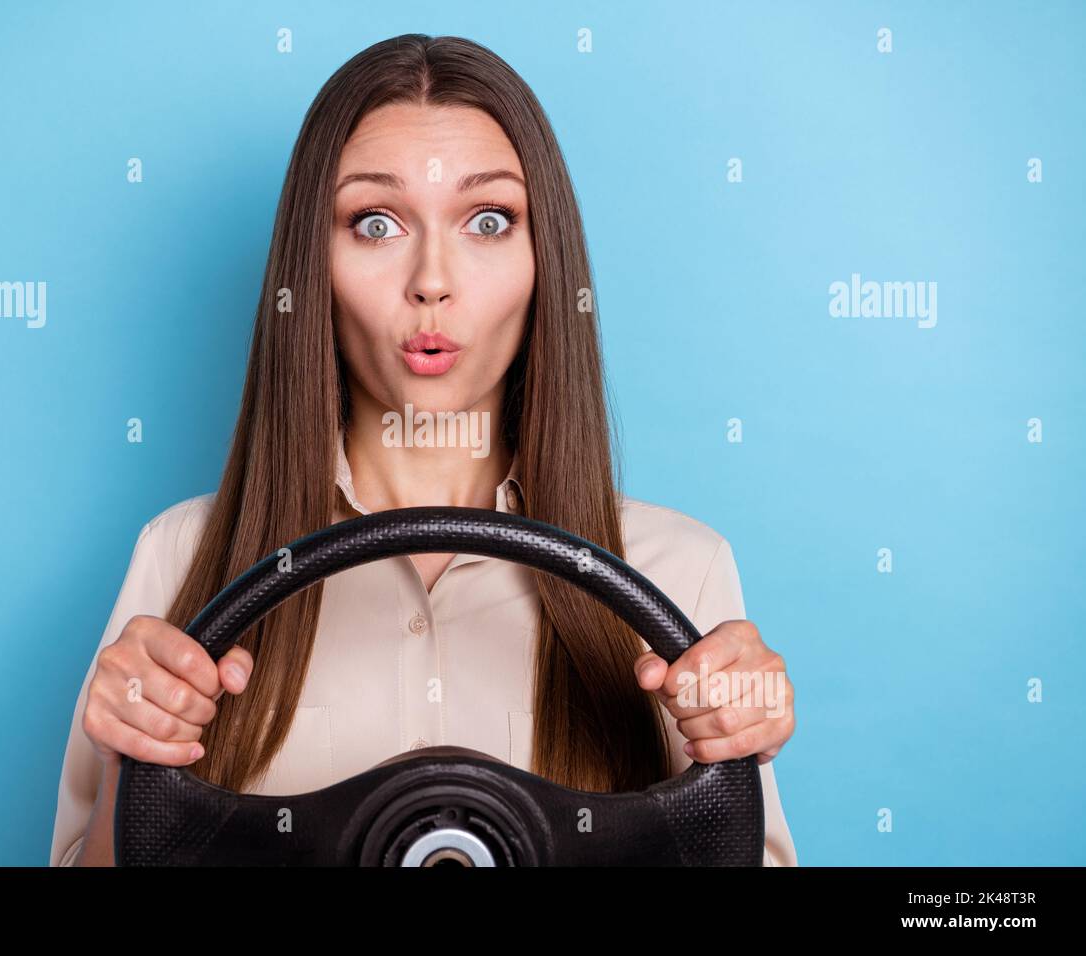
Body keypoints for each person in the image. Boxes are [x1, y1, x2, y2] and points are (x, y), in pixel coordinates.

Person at [50, 33, 798, 867]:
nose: (432, 280)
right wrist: (133, 757)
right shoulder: (184, 557)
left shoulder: (680, 572)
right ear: (314, 263)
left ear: (544, 259)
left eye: (488, 221)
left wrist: (730, 740)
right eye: (376, 222)